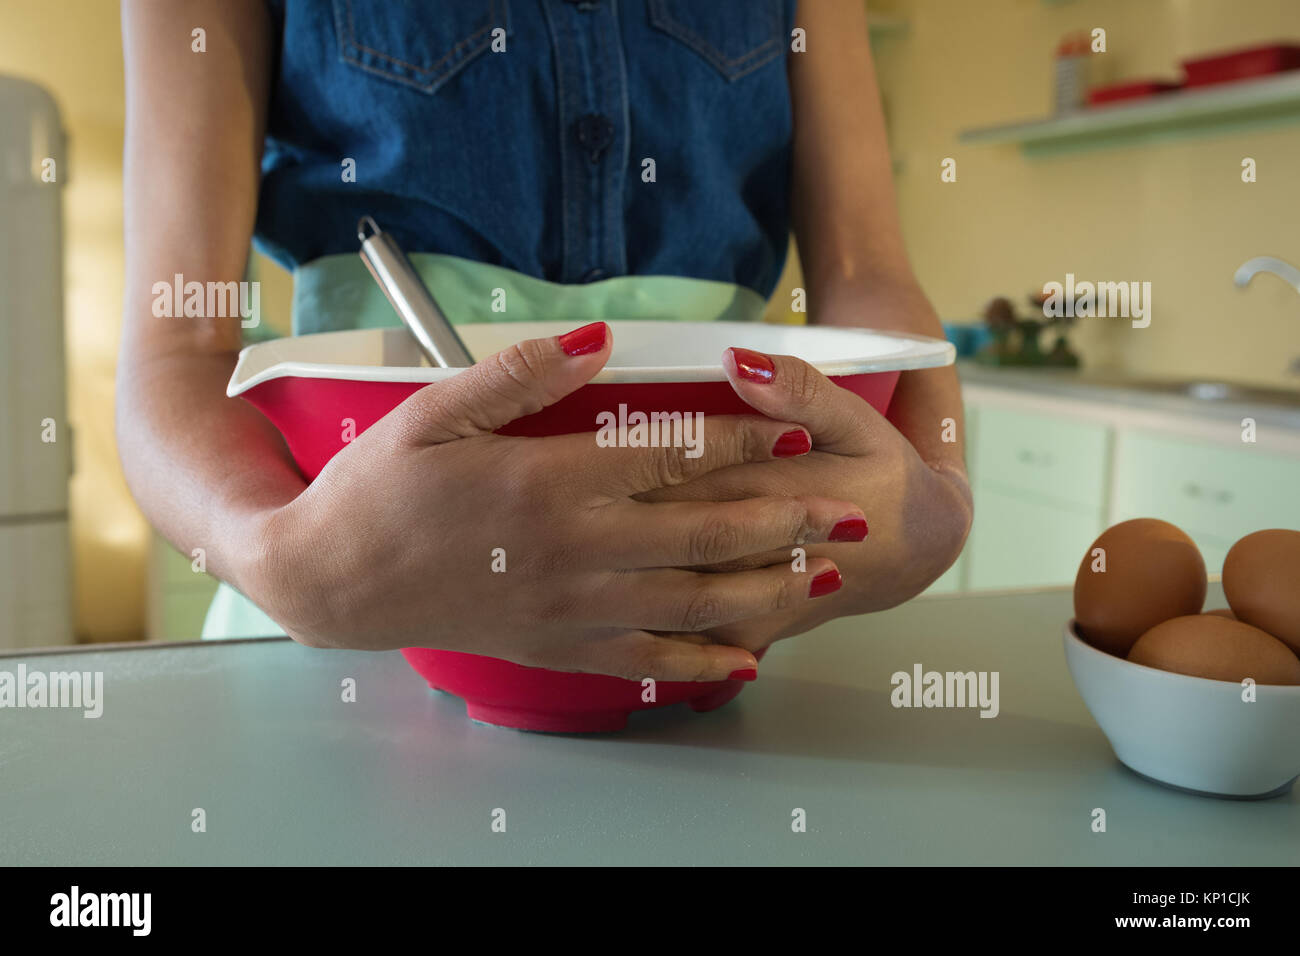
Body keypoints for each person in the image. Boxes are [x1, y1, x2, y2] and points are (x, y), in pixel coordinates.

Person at [117, 0, 972, 682]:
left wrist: (940, 496)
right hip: (354, 629)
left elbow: (868, 273)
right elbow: (178, 339)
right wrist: (274, 557)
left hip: (722, 610)